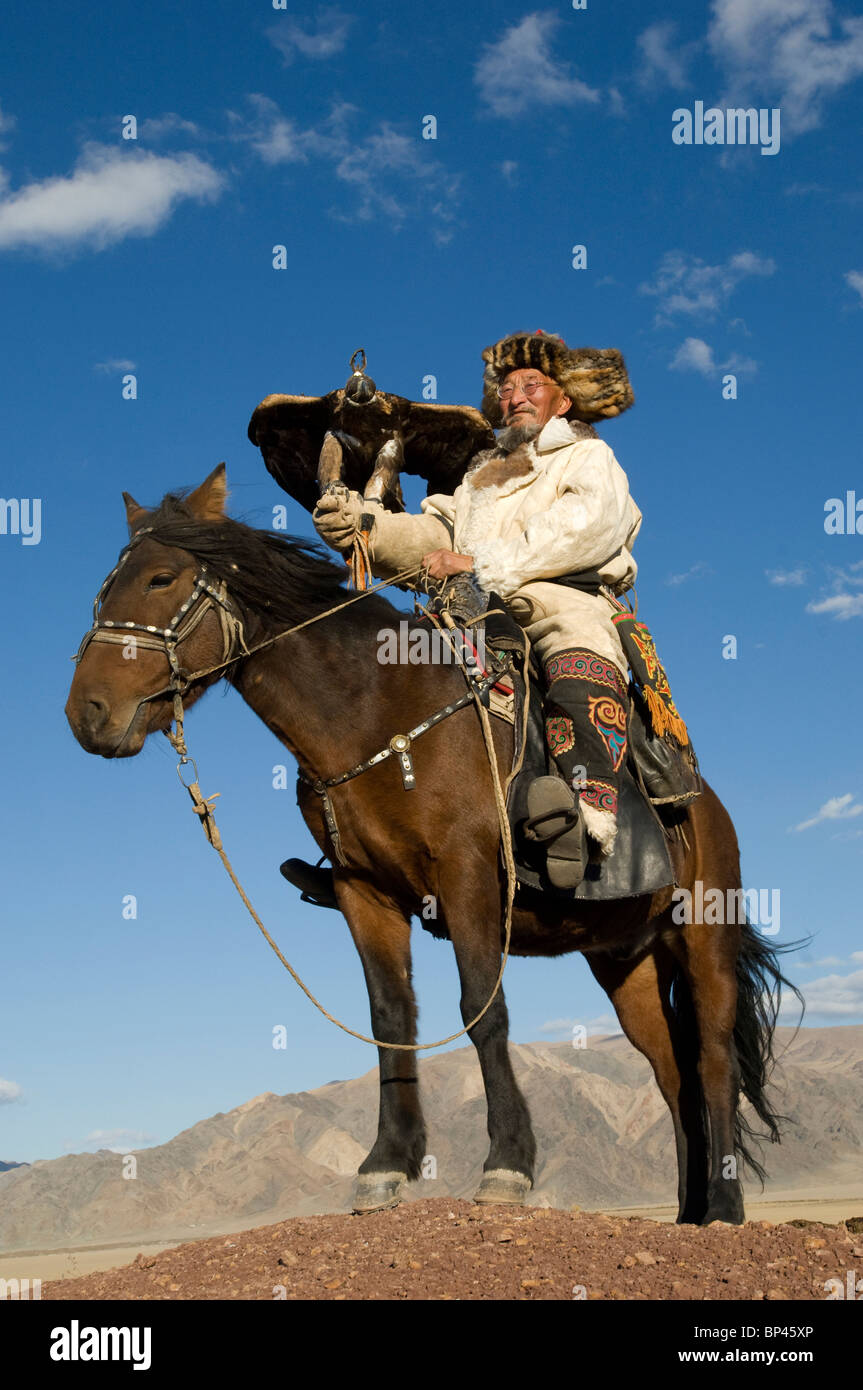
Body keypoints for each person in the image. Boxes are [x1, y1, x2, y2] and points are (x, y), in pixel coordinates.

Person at [311, 329, 641, 889]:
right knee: (387, 674)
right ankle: (367, 854)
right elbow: (435, 530)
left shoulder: (588, 457)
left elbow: (584, 529)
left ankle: (584, 820)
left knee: (575, 670)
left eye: (531, 385)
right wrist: (366, 526)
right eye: (507, 387)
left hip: (566, 599)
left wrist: (475, 560)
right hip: (471, 607)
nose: (515, 395)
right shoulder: (479, 478)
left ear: (561, 399)